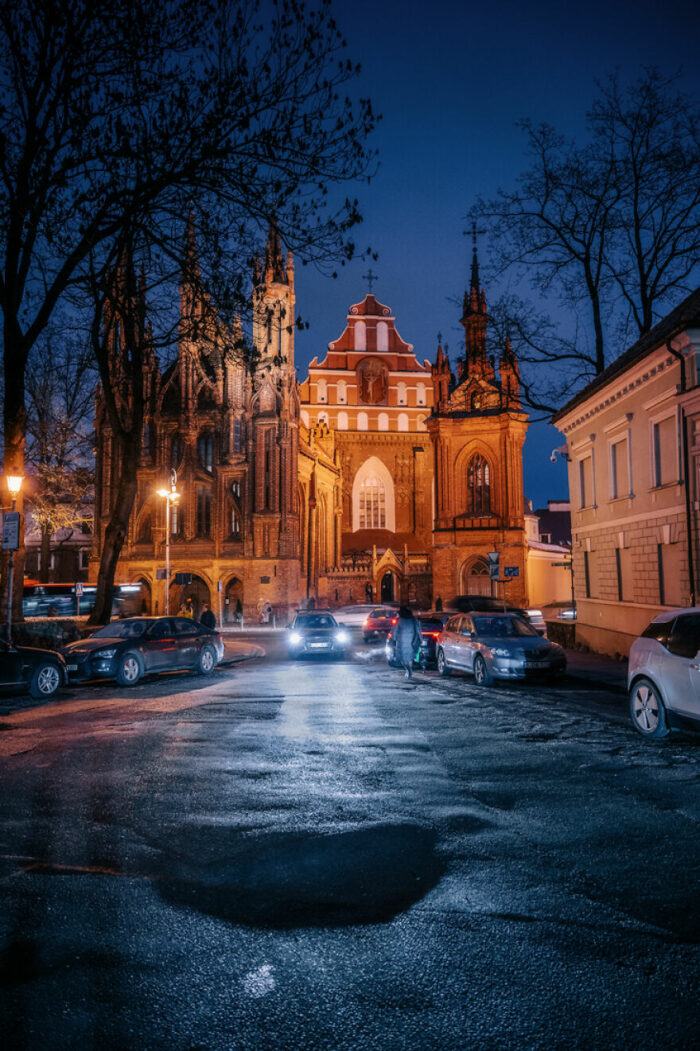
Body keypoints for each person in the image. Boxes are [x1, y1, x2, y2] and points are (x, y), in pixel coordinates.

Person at [394, 606, 422, 680]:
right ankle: (409, 670)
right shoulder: (413, 620)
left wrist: (393, 638)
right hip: (412, 641)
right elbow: (418, 629)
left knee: (402, 659)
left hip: (401, 642)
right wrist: (420, 639)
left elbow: (395, 630)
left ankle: (408, 670)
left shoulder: (399, 620)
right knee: (410, 658)